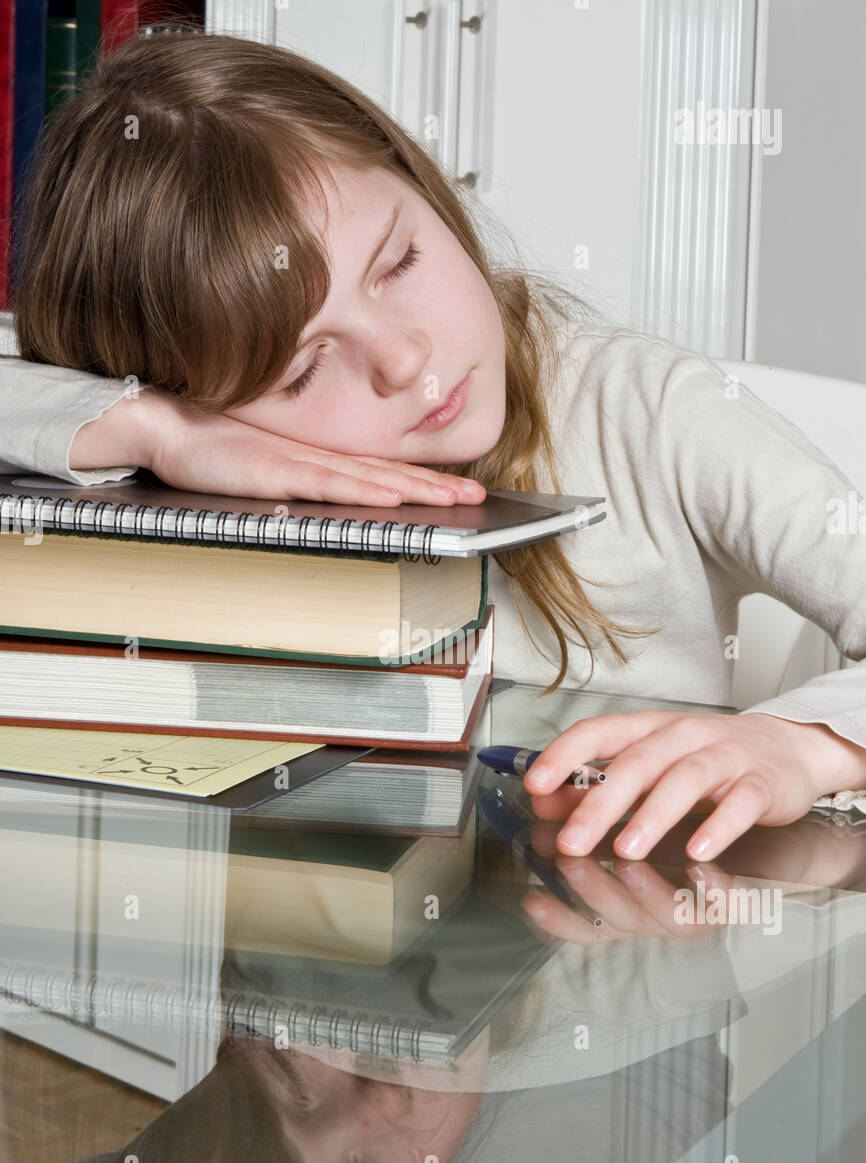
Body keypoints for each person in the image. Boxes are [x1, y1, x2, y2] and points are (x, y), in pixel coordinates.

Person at [2, 28, 866, 870]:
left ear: (425, 187)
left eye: (400, 261)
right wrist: (161, 431)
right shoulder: (168, 455)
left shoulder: (647, 412)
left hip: (628, 945)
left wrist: (803, 743)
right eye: (303, 370)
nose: (405, 358)